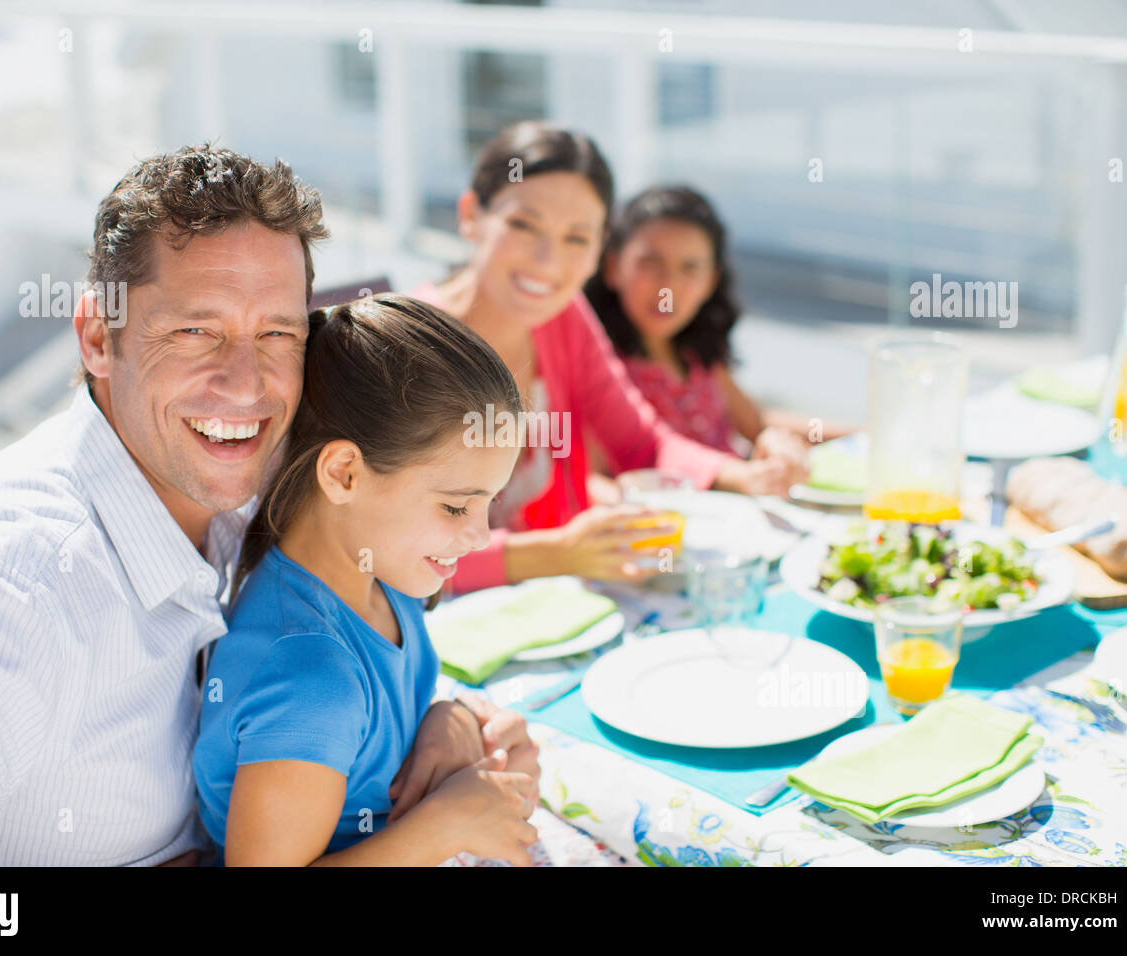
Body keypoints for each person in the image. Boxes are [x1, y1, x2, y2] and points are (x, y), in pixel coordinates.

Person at [0, 146, 535, 865]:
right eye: (196, 330)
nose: (245, 385)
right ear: (98, 335)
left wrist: (452, 719)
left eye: (277, 332)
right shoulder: (15, 588)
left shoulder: (239, 475)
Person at [194, 294, 539, 866]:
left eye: (489, 503)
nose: (480, 535)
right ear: (344, 473)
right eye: (456, 508)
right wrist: (446, 824)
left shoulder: (385, 580)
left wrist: (449, 718)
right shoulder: (311, 678)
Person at [410, 122, 809, 595]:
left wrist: (749, 474)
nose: (548, 260)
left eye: (576, 238)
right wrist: (556, 553)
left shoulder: (564, 317)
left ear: (600, 249)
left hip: (566, 607)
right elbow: (396, 549)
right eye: (523, 224)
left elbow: (644, 444)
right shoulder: (408, 343)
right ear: (471, 214)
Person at [584, 185, 848, 464]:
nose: (667, 288)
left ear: (711, 281)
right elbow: (594, 476)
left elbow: (758, 425)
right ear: (613, 267)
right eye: (651, 263)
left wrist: (863, 435)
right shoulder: (600, 370)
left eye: (690, 268)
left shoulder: (701, 355)